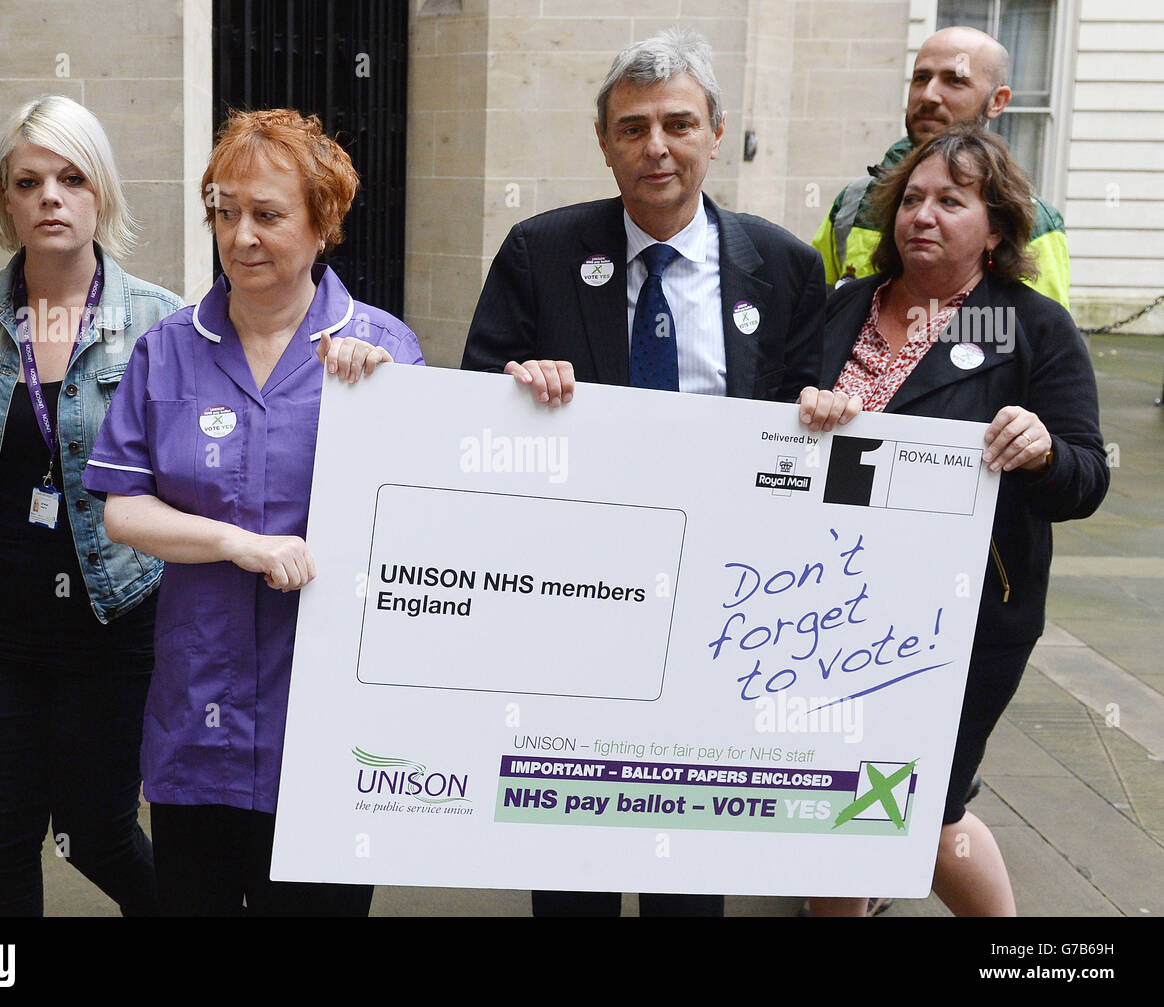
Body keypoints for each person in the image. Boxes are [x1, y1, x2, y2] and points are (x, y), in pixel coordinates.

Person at [463, 27, 825, 917]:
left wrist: (821, 417)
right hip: (580, 596)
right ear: (603, 141)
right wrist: (518, 391)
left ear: (714, 131)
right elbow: (472, 412)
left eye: (677, 124)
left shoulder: (784, 268)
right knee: (574, 842)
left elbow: (806, 428)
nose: (655, 147)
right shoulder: (538, 252)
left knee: (687, 855)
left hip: (721, 599)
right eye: (632, 128)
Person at [83, 108, 424, 916]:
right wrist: (240, 542)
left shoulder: (384, 350)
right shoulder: (167, 349)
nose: (240, 236)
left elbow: (420, 527)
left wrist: (388, 408)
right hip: (199, 718)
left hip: (329, 724)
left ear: (323, 222)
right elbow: (123, 513)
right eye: (224, 210)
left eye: (267, 215)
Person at [799, 125, 1109, 916]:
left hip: (966, 618)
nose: (922, 216)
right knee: (841, 790)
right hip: (821, 599)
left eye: (951, 201)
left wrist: (1041, 451)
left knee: (924, 802)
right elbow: (774, 428)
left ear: (997, 227)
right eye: (911, 199)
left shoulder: (1029, 326)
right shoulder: (840, 307)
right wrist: (806, 411)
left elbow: (1085, 478)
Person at [0, 95, 183, 915]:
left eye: (72, 178)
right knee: (0, 827)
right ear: (4, 200)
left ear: (100, 192)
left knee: (98, 826)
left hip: (110, 625)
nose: (51, 196)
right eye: (28, 180)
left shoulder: (160, 323)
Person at [811, 26, 1070, 308]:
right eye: (921, 78)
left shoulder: (1028, 218)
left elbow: (1042, 342)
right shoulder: (855, 201)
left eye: (954, 81)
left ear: (997, 101)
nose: (929, 95)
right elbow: (815, 322)